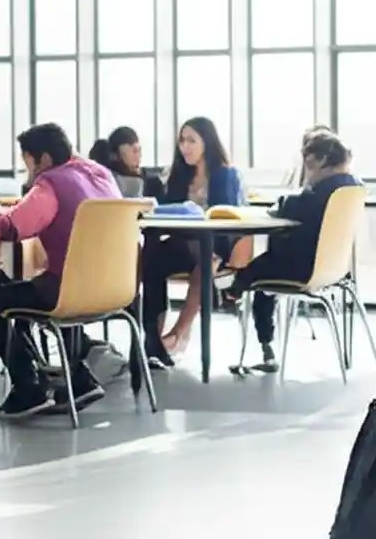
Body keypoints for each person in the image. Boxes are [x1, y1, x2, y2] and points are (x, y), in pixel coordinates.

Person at [0, 123, 123, 419]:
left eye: (27, 161)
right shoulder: (100, 174)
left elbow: (12, 227)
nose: (28, 169)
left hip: (66, 290)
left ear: (42, 159)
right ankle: (78, 379)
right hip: (110, 289)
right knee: (0, 280)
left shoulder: (50, 183)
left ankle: (27, 385)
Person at [229, 131, 361, 372]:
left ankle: (264, 344)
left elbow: (290, 208)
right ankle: (236, 288)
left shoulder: (322, 191)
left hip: (301, 267)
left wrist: (283, 201)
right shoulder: (353, 188)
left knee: (251, 276)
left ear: (320, 161)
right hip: (333, 269)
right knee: (256, 271)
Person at [141, 117, 246, 366]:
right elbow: (167, 213)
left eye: (191, 141)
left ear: (206, 143)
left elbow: (227, 219)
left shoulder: (225, 175)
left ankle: (179, 333)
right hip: (184, 244)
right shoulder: (179, 176)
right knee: (151, 258)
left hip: (217, 245)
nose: (185, 147)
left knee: (205, 260)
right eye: (182, 140)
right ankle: (152, 338)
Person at [90, 125, 165, 199]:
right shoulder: (107, 181)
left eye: (139, 150)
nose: (138, 156)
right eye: (134, 151)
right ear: (115, 155)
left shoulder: (153, 183)